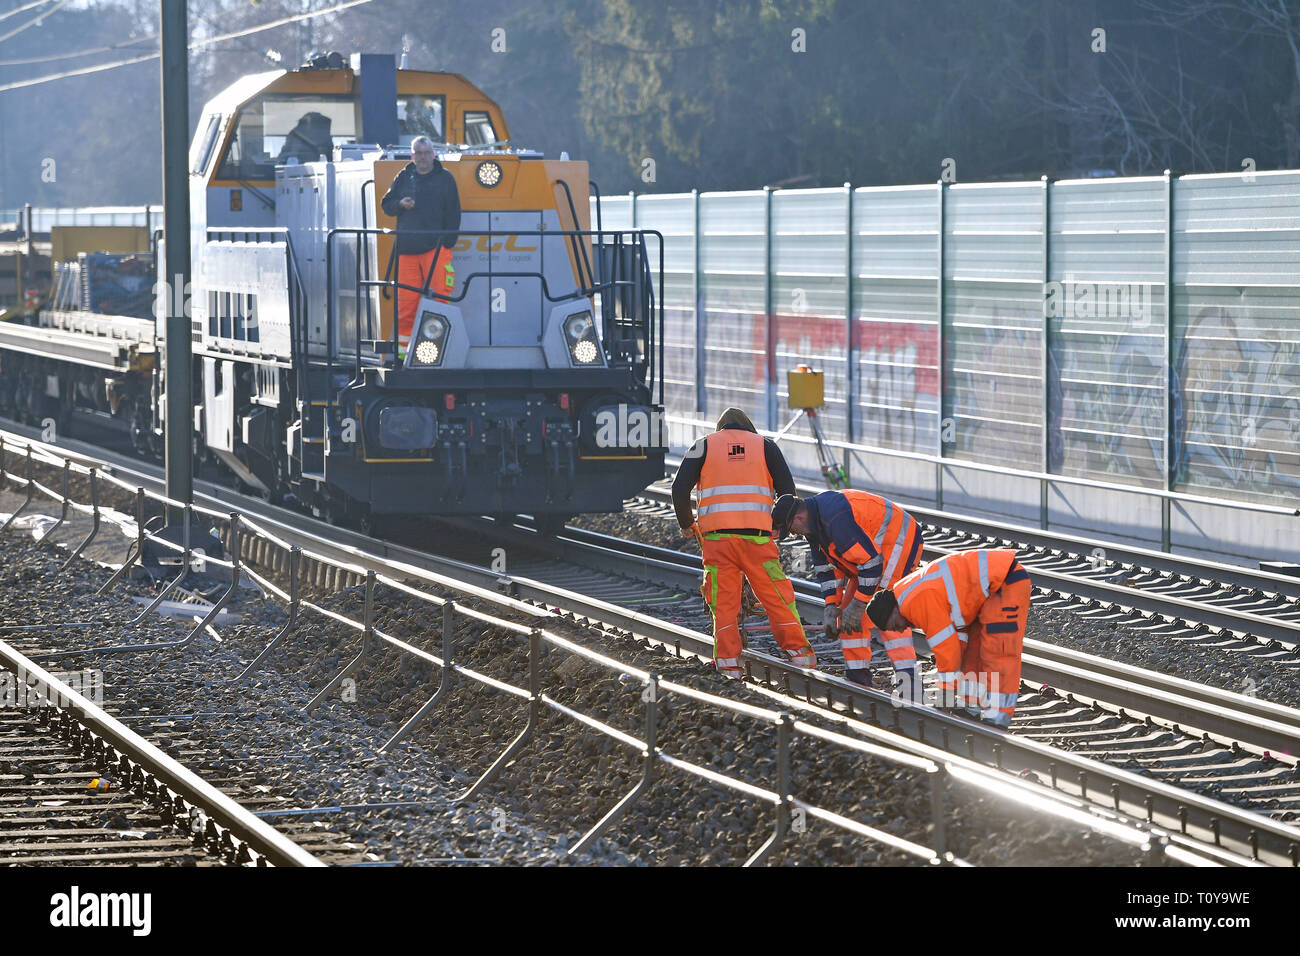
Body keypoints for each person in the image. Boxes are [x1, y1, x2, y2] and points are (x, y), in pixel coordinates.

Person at [672, 408, 816, 679]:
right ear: (748, 427)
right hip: (758, 540)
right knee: (777, 597)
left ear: (721, 428)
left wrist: (686, 523)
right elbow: (789, 494)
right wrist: (778, 527)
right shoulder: (766, 446)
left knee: (724, 603)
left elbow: (679, 489)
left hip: (717, 542)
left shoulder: (702, 445)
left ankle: (728, 665)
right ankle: (801, 656)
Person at [772, 490, 925, 697]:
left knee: (887, 614)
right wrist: (831, 606)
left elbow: (872, 566)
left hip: (897, 543)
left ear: (798, 517)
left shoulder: (836, 519)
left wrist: (858, 604)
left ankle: (910, 685)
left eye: (791, 530)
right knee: (849, 616)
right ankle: (858, 676)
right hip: (869, 555)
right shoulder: (813, 526)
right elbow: (826, 569)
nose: (794, 534)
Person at [866, 549, 1031, 727]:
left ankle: (999, 717)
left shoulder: (914, 602)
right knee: (972, 654)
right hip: (985, 593)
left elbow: (947, 649)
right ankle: (970, 707)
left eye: (895, 625)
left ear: (894, 610)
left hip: (1005, 580)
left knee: (999, 651)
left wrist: (946, 693)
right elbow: (957, 643)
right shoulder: (908, 594)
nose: (900, 629)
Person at [380, 136, 461, 354]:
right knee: (406, 307)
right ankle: (403, 355)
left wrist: (447, 243)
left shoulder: (445, 179)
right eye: (419, 153)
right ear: (412, 155)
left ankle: (441, 353)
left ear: (433, 154)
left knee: (441, 303)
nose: (423, 157)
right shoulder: (404, 177)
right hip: (406, 250)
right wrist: (400, 204)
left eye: (426, 152)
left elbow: (454, 213)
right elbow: (386, 204)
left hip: (436, 250)